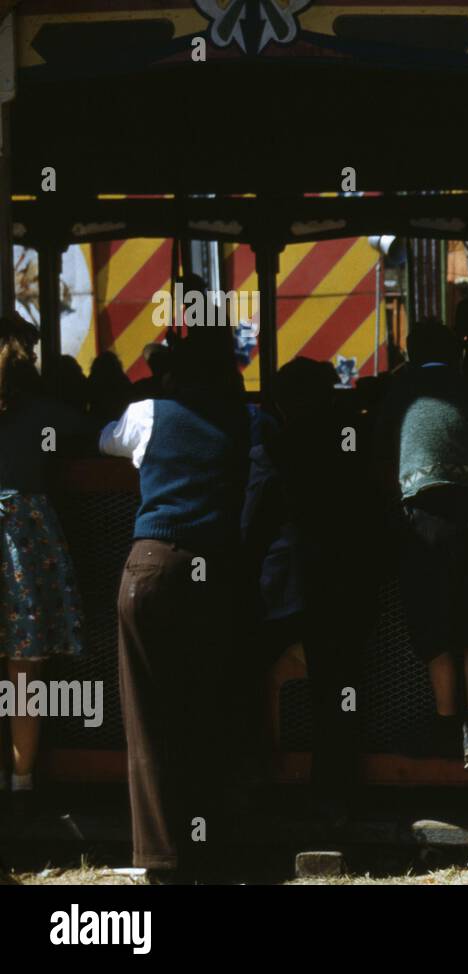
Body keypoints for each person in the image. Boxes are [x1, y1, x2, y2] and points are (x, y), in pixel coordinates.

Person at [100, 324, 250, 879]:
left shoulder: (148, 413)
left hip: (152, 567)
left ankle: (160, 857)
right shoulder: (243, 418)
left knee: (148, 716)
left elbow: (104, 440)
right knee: (206, 709)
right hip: (218, 572)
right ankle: (209, 843)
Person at [378, 318, 468, 770]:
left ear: (410, 354)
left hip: (424, 521)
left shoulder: (400, 392)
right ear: (456, 353)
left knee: (432, 622)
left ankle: (444, 724)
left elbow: (375, 446)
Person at [0, 316, 87, 819]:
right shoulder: (45, 416)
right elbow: (91, 433)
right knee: (24, 672)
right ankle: (22, 781)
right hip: (26, 540)